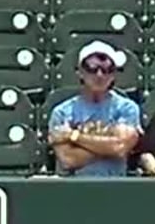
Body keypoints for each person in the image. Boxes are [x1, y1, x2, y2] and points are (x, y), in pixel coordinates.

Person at [47, 40, 142, 177]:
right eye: (92, 68)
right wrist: (109, 147)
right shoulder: (62, 112)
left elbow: (119, 148)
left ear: (113, 75)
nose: (99, 75)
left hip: (116, 186)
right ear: (80, 72)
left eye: (107, 69)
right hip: (72, 188)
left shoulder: (126, 108)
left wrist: (72, 136)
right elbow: (68, 160)